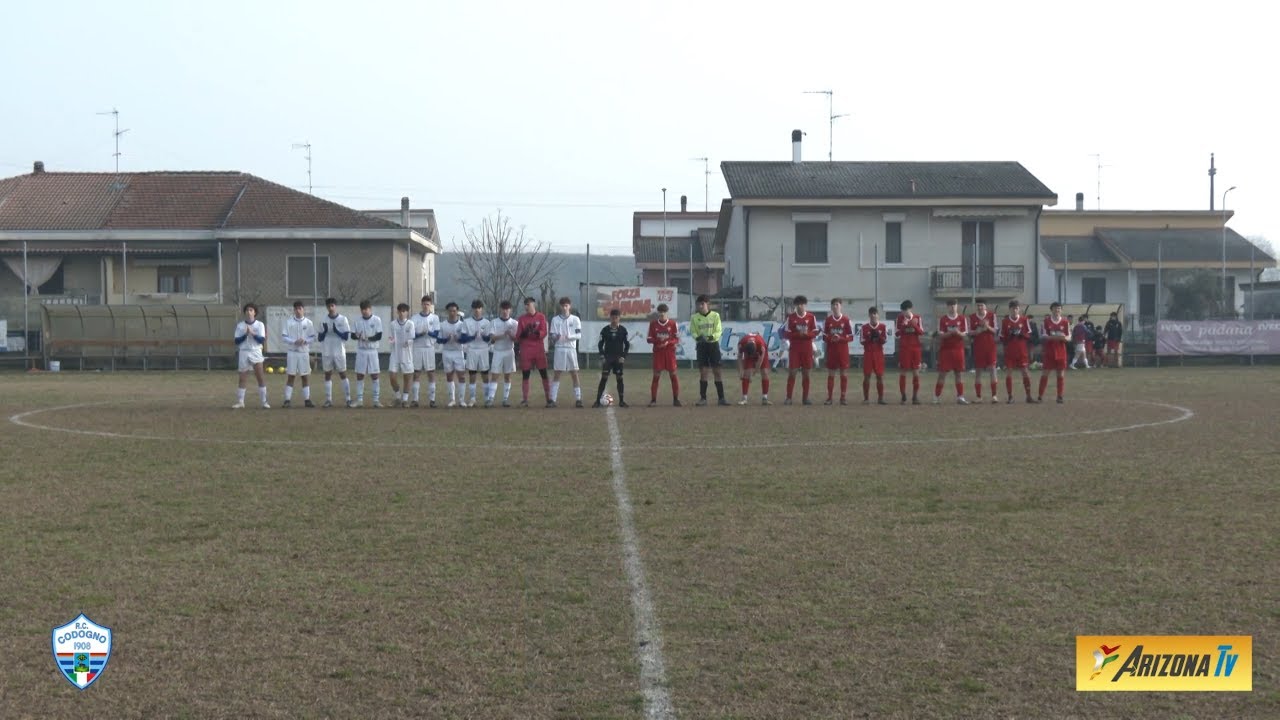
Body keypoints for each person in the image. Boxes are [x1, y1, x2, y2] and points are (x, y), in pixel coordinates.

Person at [689, 295, 729, 406]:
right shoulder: (694, 317)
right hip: (702, 346)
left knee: (717, 371)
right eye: (698, 304)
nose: (700, 306)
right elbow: (693, 331)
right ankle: (703, 399)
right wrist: (698, 338)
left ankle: (721, 398)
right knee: (703, 372)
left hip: (713, 345)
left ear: (708, 304)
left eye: (702, 304)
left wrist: (711, 337)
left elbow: (718, 330)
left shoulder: (715, 316)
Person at [782, 295, 820, 405]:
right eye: (798, 304)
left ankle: (805, 398)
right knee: (792, 373)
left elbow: (815, 332)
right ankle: (789, 398)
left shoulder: (811, 317)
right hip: (795, 349)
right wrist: (798, 334)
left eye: (802, 304)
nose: (800, 306)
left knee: (806, 373)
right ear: (795, 305)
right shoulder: (791, 318)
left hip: (807, 349)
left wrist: (807, 334)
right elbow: (786, 333)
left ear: (805, 305)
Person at [317, 298, 353, 408]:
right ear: (326, 307)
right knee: (327, 374)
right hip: (327, 351)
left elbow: (346, 337)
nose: (331, 308)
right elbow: (320, 338)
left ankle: (348, 399)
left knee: (343, 374)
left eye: (332, 305)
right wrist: (325, 331)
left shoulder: (343, 319)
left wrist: (337, 331)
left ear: (335, 306)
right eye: (329, 306)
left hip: (339, 351)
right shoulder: (323, 320)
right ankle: (328, 400)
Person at [232, 303, 269, 409]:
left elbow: (261, 340)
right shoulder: (240, 325)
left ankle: (264, 402)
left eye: (251, 310)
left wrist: (252, 333)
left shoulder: (260, 325)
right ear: (245, 312)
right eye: (247, 310)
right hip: (244, 352)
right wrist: (245, 335)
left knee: (260, 377)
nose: (249, 312)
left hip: (255, 351)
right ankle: (240, 402)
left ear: (255, 312)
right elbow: (236, 341)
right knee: (242, 378)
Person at [933, 298, 970, 404]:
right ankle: (936, 397)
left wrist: (958, 332)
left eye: (954, 305)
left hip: (958, 350)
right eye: (950, 306)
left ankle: (960, 397)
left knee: (958, 374)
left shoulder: (962, 318)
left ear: (957, 306)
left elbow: (965, 335)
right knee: (942, 374)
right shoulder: (943, 319)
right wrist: (950, 333)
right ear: (947, 307)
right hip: (946, 350)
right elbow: (941, 335)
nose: (952, 307)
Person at [549, 296, 584, 408]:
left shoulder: (575, 319)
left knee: (574, 373)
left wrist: (569, 336)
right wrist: (555, 337)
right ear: (560, 307)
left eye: (566, 306)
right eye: (563, 306)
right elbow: (552, 335)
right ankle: (553, 400)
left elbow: (579, 335)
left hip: (571, 349)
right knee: (557, 373)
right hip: (559, 348)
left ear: (569, 306)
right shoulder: (555, 319)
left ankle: (578, 399)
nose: (564, 308)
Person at [516, 297, 551, 407]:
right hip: (526, 350)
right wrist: (525, 333)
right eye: (525, 305)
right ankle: (525, 400)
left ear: (533, 305)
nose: (526, 307)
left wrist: (536, 333)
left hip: (538, 349)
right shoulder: (522, 319)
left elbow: (544, 332)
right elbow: (518, 336)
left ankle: (549, 399)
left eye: (528, 304)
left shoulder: (541, 317)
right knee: (525, 374)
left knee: (544, 373)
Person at [281, 300, 317, 408]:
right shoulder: (289, 322)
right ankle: (287, 400)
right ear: (294, 310)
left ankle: (307, 400)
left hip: (304, 353)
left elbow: (312, 337)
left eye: (300, 308)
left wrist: (305, 341)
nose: (298, 310)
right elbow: (284, 337)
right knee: (291, 376)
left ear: (303, 310)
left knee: (305, 376)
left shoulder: (308, 323)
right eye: (296, 309)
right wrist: (294, 342)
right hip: (292, 352)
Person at [999, 300, 1035, 403]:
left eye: (1016, 308)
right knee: (1009, 373)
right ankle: (1010, 397)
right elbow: (1001, 337)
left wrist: (1021, 334)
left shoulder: (1024, 320)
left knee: (1025, 372)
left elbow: (1029, 334)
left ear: (1019, 309)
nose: (1014, 310)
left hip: (1022, 351)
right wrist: (1009, 336)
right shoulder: (1005, 321)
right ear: (1009, 309)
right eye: (1012, 308)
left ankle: (1028, 396)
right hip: (1010, 352)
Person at [350, 300, 384, 408]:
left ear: (370, 309)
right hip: (361, 351)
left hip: (372, 351)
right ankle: (359, 400)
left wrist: (368, 338)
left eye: (366, 309)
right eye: (362, 309)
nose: (364, 311)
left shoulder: (376, 320)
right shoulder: (357, 321)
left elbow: (379, 336)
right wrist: (358, 336)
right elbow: (352, 335)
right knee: (360, 375)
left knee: (375, 375)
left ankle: (376, 400)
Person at [594, 308, 630, 407]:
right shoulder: (605, 330)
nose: (614, 319)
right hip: (607, 358)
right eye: (613, 317)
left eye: (616, 318)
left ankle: (621, 401)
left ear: (619, 318)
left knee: (619, 378)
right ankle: (597, 401)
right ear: (610, 318)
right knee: (604, 378)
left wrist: (623, 356)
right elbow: (600, 344)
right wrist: (602, 356)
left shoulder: (623, 330)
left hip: (618, 358)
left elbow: (627, 345)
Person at [647, 303, 681, 406]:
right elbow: (649, 339)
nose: (662, 314)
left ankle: (676, 399)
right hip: (658, 353)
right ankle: (653, 400)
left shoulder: (673, 324)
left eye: (664, 312)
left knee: (673, 375)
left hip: (670, 353)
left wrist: (668, 342)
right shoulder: (653, 324)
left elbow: (677, 339)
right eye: (660, 312)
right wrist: (658, 341)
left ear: (667, 312)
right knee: (656, 376)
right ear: (658, 313)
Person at [822, 298, 855, 405]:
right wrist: (831, 338)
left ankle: (843, 398)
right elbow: (824, 336)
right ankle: (829, 398)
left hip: (843, 351)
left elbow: (851, 337)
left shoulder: (846, 320)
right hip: (831, 351)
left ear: (841, 306)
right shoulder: (828, 320)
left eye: (837, 304)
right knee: (831, 374)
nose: (835, 306)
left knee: (843, 374)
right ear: (831, 307)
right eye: (833, 305)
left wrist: (840, 338)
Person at [437, 302, 468, 407]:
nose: (452, 313)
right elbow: (439, 340)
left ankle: (461, 400)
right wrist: (447, 339)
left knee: (461, 376)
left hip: (458, 352)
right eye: (450, 311)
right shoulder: (442, 325)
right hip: (447, 352)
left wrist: (457, 339)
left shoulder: (461, 325)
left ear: (457, 312)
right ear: (447, 312)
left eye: (454, 311)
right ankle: (452, 399)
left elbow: (465, 339)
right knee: (449, 376)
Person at [463, 300, 493, 407]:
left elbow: (488, 339)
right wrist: (472, 336)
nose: (477, 310)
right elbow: (463, 338)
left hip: (483, 350)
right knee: (472, 374)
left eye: (479, 308)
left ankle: (487, 398)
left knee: (485, 374)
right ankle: (472, 398)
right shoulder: (466, 322)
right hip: (472, 350)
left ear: (482, 309)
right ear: (472, 309)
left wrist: (484, 336)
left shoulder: (487, 322)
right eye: (475, 308)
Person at [489, 300, 520, 407]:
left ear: (510, 310)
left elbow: (516, 339)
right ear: (500, 309)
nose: (505, 311)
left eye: (507, 309)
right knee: (495, 375)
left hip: (509, 351)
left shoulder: (514, 323)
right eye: (503, 309)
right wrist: (503, 335)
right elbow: (492, 338)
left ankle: (505, 399)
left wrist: (510, 335)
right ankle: (490, 399)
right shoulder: (494, 322)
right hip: (498, 351)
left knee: (507, 376)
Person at [895, 300, 926, 404]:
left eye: (906, 310)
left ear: (910, 309)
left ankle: (915, 397)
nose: (905, 312)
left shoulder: (917, 318)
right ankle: (903, 395)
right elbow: (897, 334)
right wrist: (904, 326)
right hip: (904, 348)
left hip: (915, 349)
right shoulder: (900, 318)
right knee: (903, 371)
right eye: (903, 311)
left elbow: (921, 332)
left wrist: (914, 326)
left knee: (916, 372)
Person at [1039, 302, 1070, 403]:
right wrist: (1055, 337)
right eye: (1055, 308)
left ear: (1061, 310)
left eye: (1059, 308)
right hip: (1049, 351)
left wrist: (1064, 338)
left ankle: (1059, 396)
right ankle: (1040, 396)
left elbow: (1069, 337)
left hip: (1061, 351)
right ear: (1051, 310)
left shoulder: (1065, 322)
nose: (1057, 310)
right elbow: (1043, 336)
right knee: (1045, 373)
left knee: (1060, 374)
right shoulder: (1046, 321)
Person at [411, 295, 440, 407]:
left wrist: (429, 333)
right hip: (417, 348)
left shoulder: (435, 318)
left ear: (430, 305)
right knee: (416, 373)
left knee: (431, 373)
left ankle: (432, 400)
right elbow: (412, 335)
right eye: (424, 304)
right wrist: (420, 334)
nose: (425, 306)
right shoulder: (414, 318)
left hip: (429, 347)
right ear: (421, 304)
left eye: (428, 304)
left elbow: (436, 334)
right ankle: (415, 400)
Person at [968, 299, 999, 403]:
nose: (980, 307)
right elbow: (969, 332)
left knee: (992, 370)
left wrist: (987, 327)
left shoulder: (992, 316)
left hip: (990, 347)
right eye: (978, 305)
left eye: (982, 305)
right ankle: (978, 397)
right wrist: (978, 331)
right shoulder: (972, 317)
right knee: (978, 371)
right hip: (978, 347)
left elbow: (995, 330)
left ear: (985, 306)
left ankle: (994, 396)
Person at [388, 303, 415, 407]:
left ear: (407, 312)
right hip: (395, 354)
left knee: (407, 376)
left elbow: (412, 338)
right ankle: (398, 396)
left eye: (404, 311)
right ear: (397, 312)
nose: (402, 313)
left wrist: (407, 342)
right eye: (400, 311)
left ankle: (405, 400)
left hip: (407, 354)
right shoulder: (393, 324)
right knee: (392, 377)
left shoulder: (410, 324)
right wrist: (392, 341)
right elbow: (390, 338)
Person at [860, 306, 888, 405]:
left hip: (878, 354)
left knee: (879, 376)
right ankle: (866, 398)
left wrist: (878, 336)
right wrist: (870, 337)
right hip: (868, 353)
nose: (873, 316)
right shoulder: (864, 327)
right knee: (867, 376)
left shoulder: (882, 327)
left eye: (875, 314)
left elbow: (884, 340)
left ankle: (881, 398)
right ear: (869, 315)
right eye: (871, 314)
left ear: (878, 315)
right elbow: (862, 341)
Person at [737, 330, 771, 405]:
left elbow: (760, 360)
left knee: (764, 372)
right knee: (746, 374)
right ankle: (744, 398)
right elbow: (739, 357)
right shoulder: (741, 344)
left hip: (761, 353)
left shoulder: (761, 346)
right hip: (749, 350)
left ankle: (765, 398)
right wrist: (741, 371)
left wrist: (755, 372)